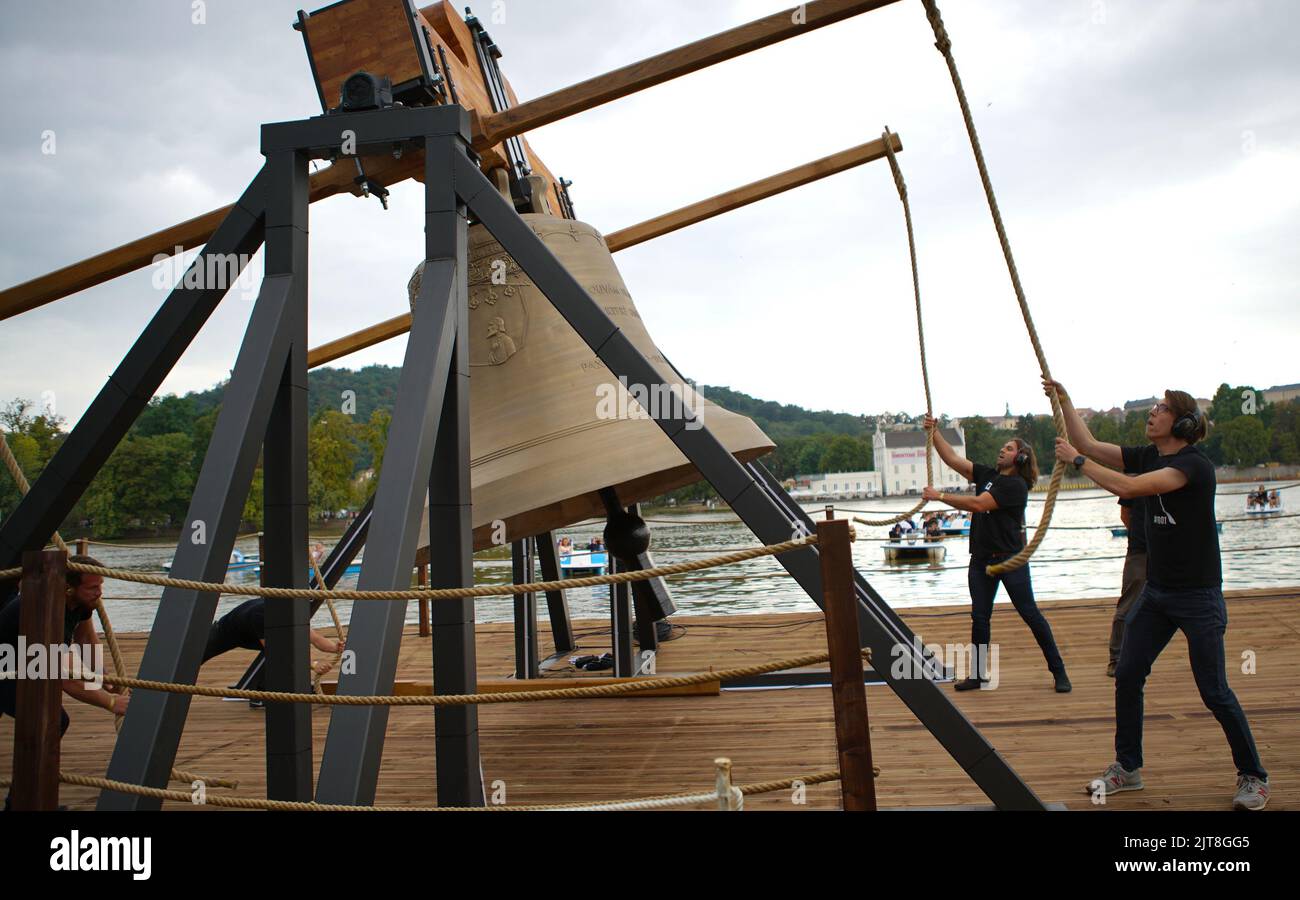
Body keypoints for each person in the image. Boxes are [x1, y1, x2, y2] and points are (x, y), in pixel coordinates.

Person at [1044, 378, 1269, 810]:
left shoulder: (1194, 466)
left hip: (1198, 596)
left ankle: (1254, 777)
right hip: (1158, 594)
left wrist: (1078, 463)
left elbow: (1128, 488)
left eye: (1162, 409)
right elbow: (1087, 441)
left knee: (1214, 690)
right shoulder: (1149, 455)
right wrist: (1066, 400)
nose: (1152, 413)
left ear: (1182, 422)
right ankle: (1127, 768)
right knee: (1128, 674)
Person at [920, 416, 1071, 693]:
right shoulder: (988, 476)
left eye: (1009, 448)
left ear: (1022, 458)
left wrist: (939, 497)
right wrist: (934, 432)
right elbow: (953, 459)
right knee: (979, 617)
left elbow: (979, 505)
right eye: (1003, 447)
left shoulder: (1015, 487)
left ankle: (1059, 671)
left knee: (1029, 614)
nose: (1003, 450)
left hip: (1009, 560)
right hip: (981, 560)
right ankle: (978, 676)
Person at [0, 555, 128, 810]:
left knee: (50, 719)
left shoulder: (80, 604)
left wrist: (102, 678)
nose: (99, 593)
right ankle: (20, 804)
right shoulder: (45, 608)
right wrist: (112, 702)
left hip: (25, 669)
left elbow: (85, 640)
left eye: (101, 585)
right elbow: (62, 677)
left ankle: (22, 803)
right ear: (68, 587)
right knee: (48, 718)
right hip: (5, 669)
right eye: (93, 587)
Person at [1109, 494, 1147, 678]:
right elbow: (1125, 514)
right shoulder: (1133, 477)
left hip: (1167, 549)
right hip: (1140, 550)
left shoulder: (1177, 472)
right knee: (1128, 604)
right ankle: (1116, 658)